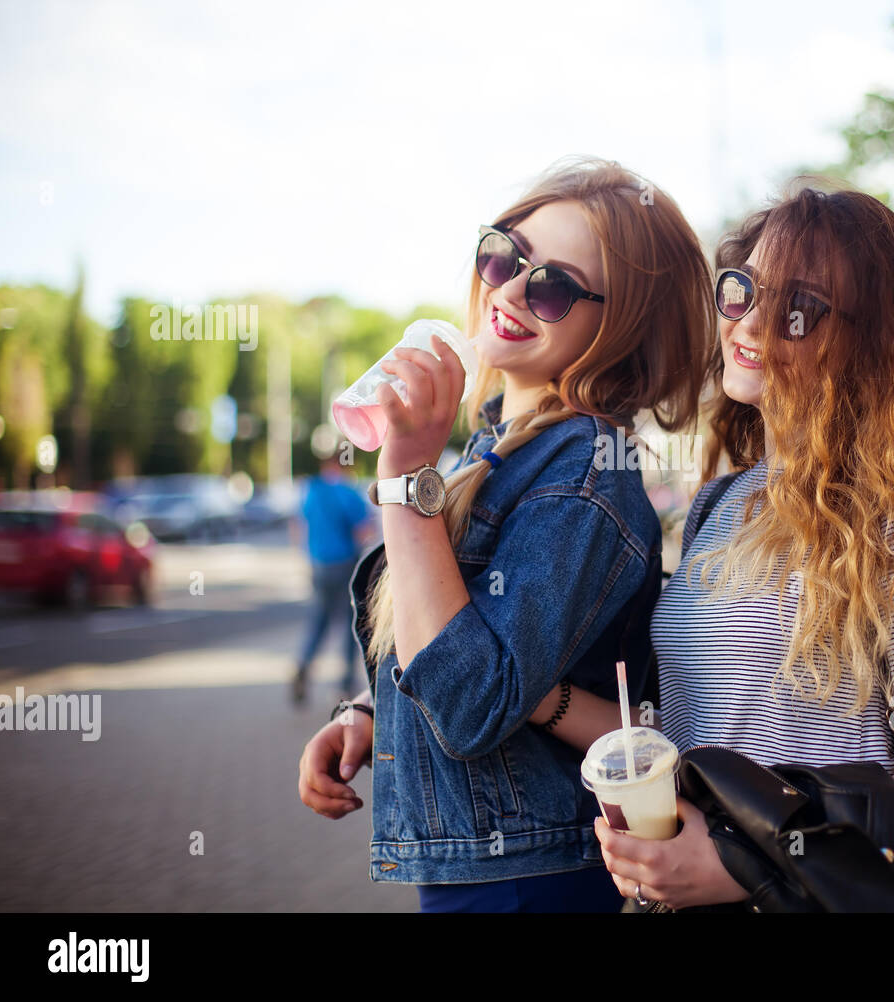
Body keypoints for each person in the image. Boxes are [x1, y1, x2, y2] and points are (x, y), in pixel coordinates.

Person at [531, 180, 894, 910]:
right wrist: (513, 689)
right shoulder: (719, 502)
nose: (753, 322)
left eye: (799, 308)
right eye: (745, 291)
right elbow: (705, 718)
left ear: (871, 339)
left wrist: (746, 862)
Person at [295, 158, 712, 912]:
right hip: (487, 871)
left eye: (552, 284)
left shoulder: (584, 469)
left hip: (529, 881)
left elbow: (473, 702)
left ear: (618, 328)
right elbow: (463, 637)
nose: (512, 288)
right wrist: (367, 710)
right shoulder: (500, 445)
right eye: (504, 254)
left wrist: (405, 476)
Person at [290, 451, 374, 705]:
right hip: (345, 565)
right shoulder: (347, 492)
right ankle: (346, 686)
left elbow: (298, 527)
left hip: (318, 566)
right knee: (351, 624)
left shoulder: (311, 491)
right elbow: (364, 530)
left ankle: (303, 663)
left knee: (319, 620)